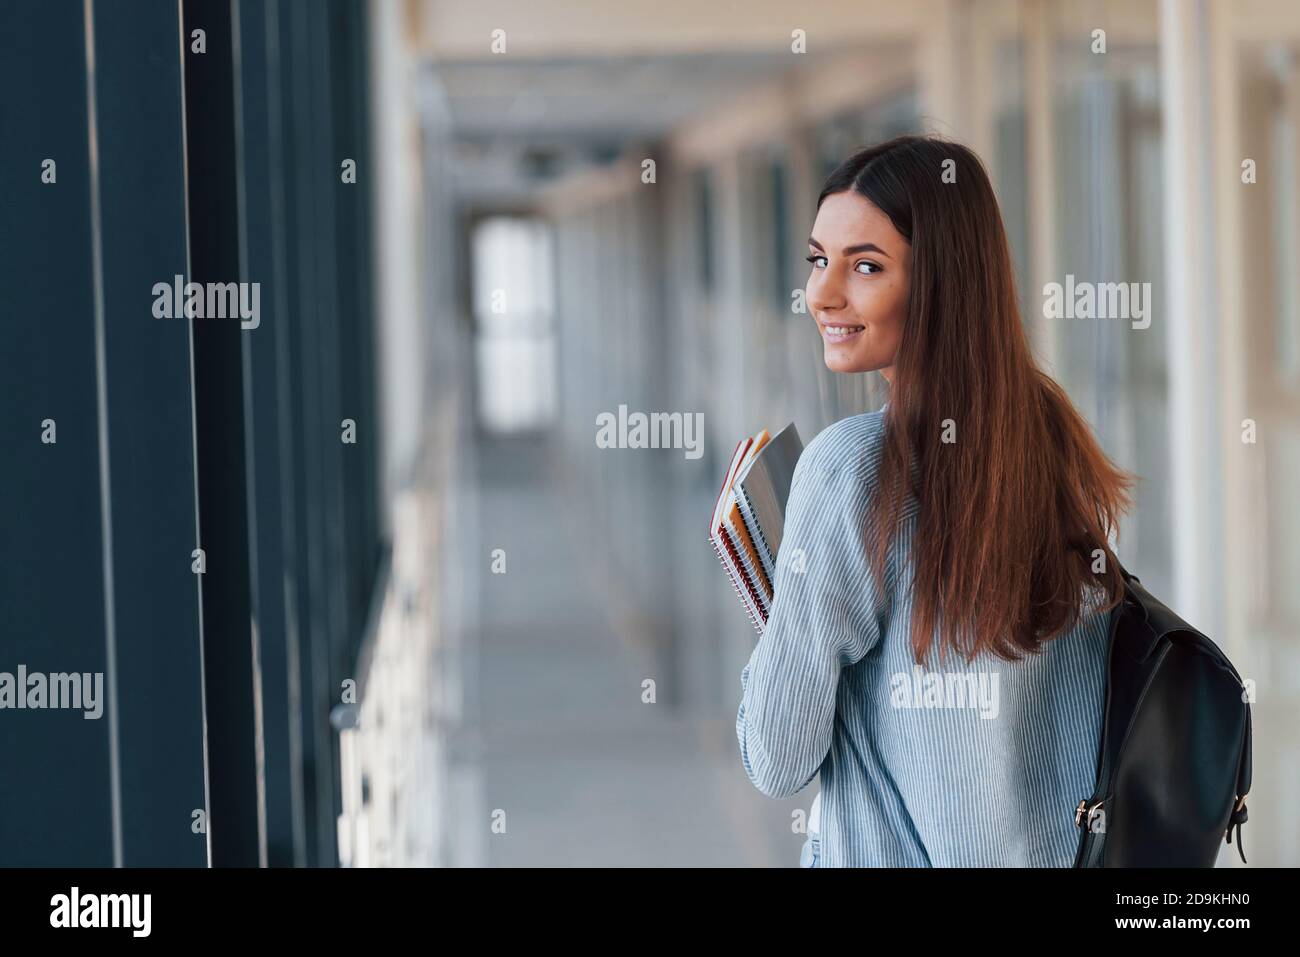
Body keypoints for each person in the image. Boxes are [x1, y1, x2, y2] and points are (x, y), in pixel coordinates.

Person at [736, 135, 1133, 867]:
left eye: (866, 266)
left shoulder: (847, 469)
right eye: (818, 260)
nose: (822, 294)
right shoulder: (1052, 438)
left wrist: (782, 620)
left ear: (940, 281)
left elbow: (776, 755)